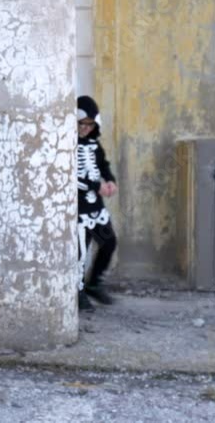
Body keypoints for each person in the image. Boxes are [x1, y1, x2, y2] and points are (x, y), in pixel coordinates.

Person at [76, 95, 118, 312]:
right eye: (81, 124)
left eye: (89, 124)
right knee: (80, 254)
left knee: (109, 242)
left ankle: (94, 283)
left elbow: (103, 164)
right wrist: (95, 186)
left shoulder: (94, 144)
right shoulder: (67, 144)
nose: (85, 128)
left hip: (96, 207)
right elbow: (71, 177)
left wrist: (110, 180)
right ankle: (78, 292)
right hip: (79, 207)